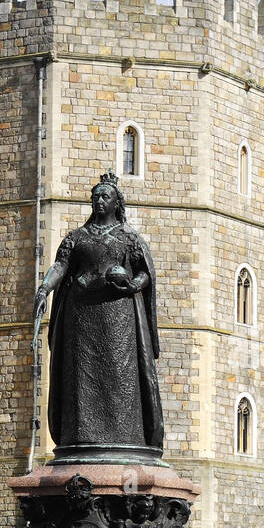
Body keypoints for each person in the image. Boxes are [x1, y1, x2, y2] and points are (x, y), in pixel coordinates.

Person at [34, 171, 164, 463]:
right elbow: (60, 266)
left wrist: (132, 284)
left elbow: (145, 273)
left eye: (105, 196)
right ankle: (80, 437)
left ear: (117, 202)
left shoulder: (128, 237)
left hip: (118, 317)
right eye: (95, 197)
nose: (99, 201)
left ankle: (124, 438)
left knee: (121, 378)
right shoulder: (76, 237)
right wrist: (44, 290)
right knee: (80, 379)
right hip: (81, 317)